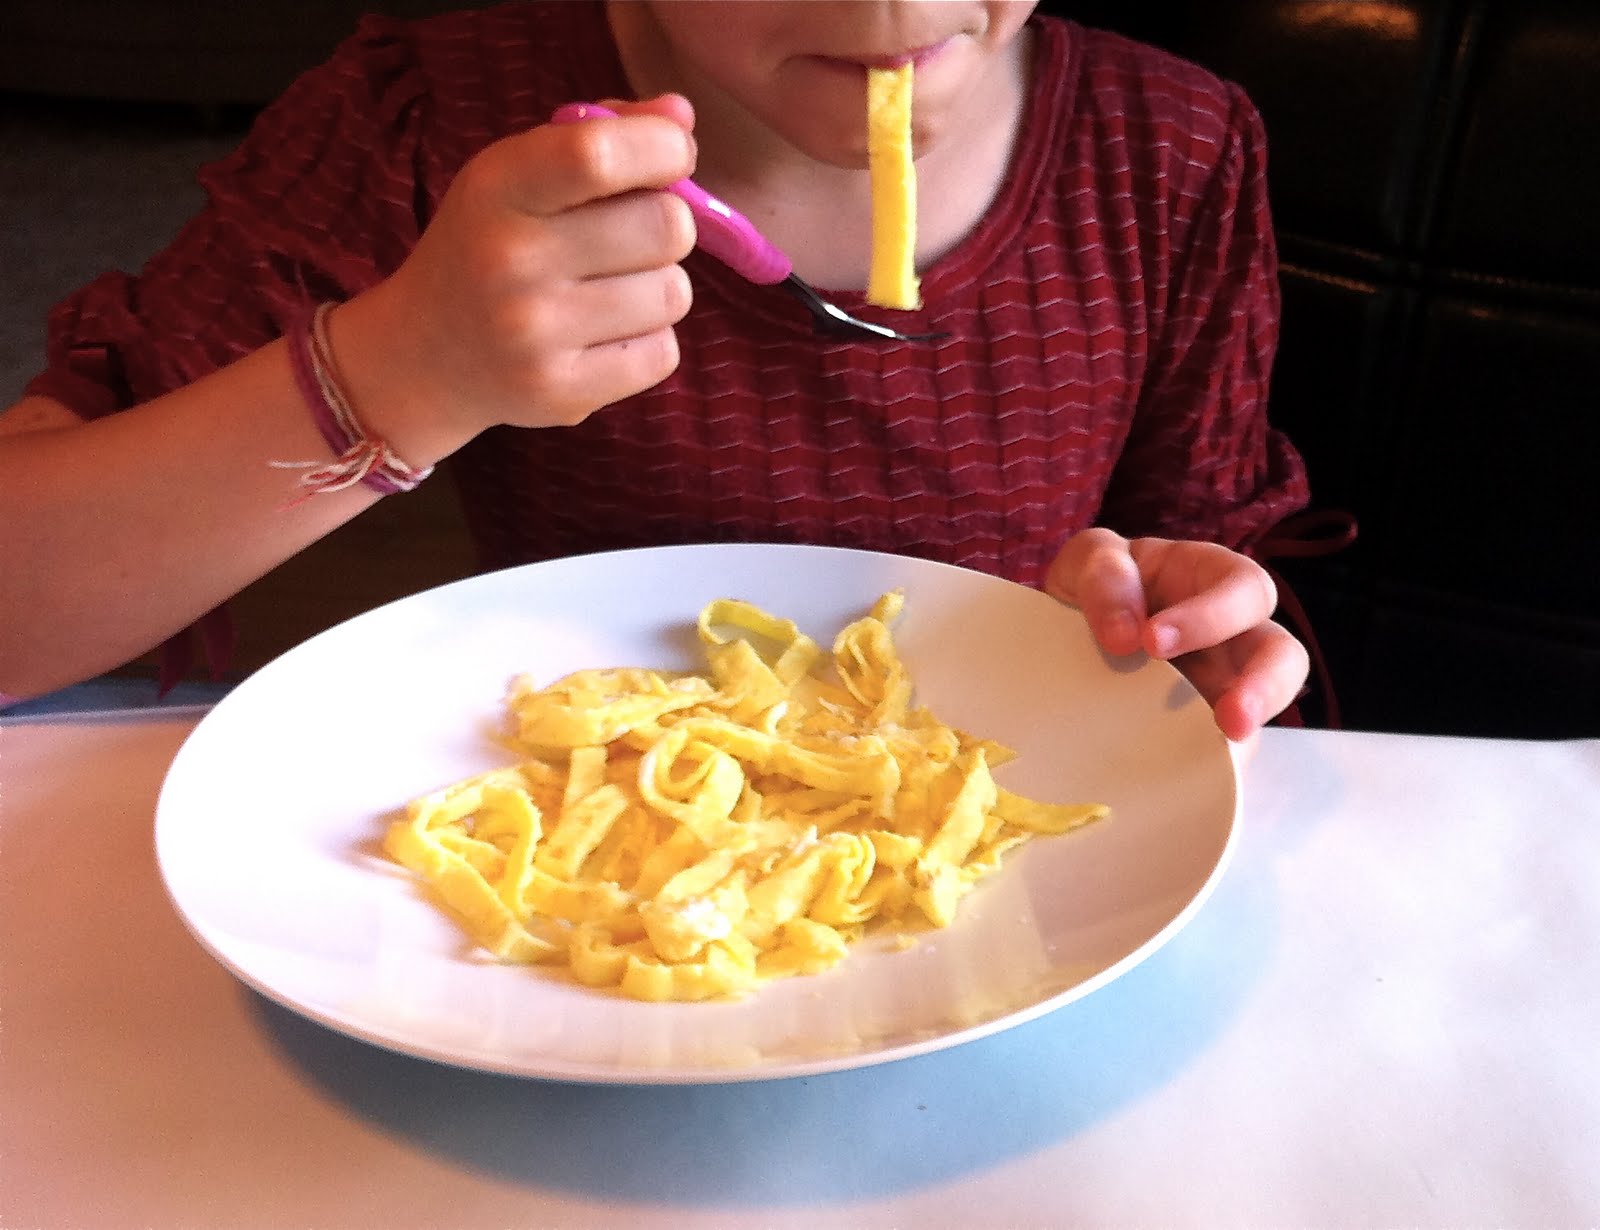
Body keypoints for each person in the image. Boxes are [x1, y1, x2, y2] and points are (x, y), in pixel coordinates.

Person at [0, 0, 1312, 741]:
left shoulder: (1174, 158)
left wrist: (1188, 639)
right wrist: (400, 367)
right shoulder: (435, 115)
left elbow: (1228, 589)